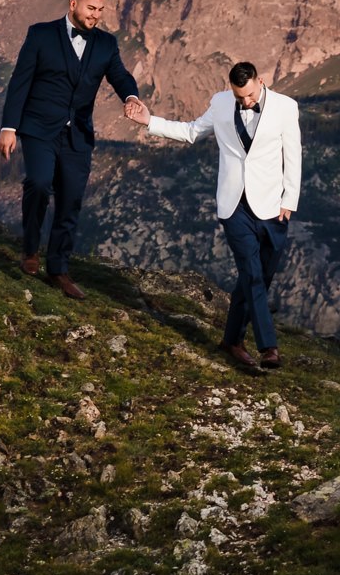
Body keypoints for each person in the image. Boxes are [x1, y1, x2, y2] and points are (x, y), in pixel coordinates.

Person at [125, 62, 301, 372]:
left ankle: (231, 340)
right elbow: (192, 132)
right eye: (239, 96)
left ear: (261, 82)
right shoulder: (221, 103)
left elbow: (293, 155)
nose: (244, 102)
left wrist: (290, 200)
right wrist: (149, 120)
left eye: (248, 96)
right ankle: (268, 347)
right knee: (253, 274)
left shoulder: (286, 107)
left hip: (274, 209)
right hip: (234, 207)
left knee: (259, 277)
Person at [0, 0, 146, 299]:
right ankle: (30, 249)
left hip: (78, 133)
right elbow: (20, 82)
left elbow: (119, 75)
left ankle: (59, 269)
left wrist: (130, 96)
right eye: (91, 8)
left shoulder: (106, 44)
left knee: (71, 199)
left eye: (100, 10)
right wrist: (8, 127)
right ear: (73, 4)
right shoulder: (40, 34)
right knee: (38, 183)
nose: (96, 15)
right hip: (38, 127)